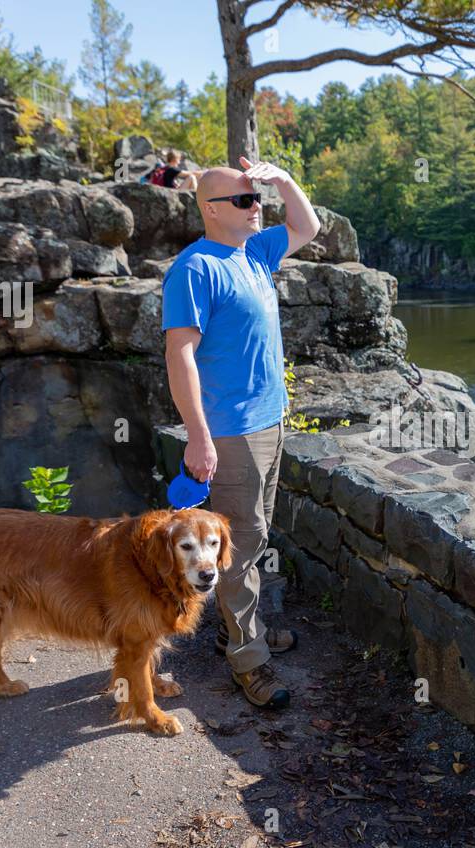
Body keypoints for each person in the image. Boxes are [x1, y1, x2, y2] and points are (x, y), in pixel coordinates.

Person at [161, 157, 320, 709]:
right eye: (246, 200)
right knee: (234, 551)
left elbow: (307, 227)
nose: (258, 208)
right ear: (210, 209)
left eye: (258, 199)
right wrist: (198, 436)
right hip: (230, 433)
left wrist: (281, 181)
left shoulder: (252, 251)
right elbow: (179, 355)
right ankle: (249, 661)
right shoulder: (195, 268)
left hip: (269, 423)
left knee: (253, 539)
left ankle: (238, 630)